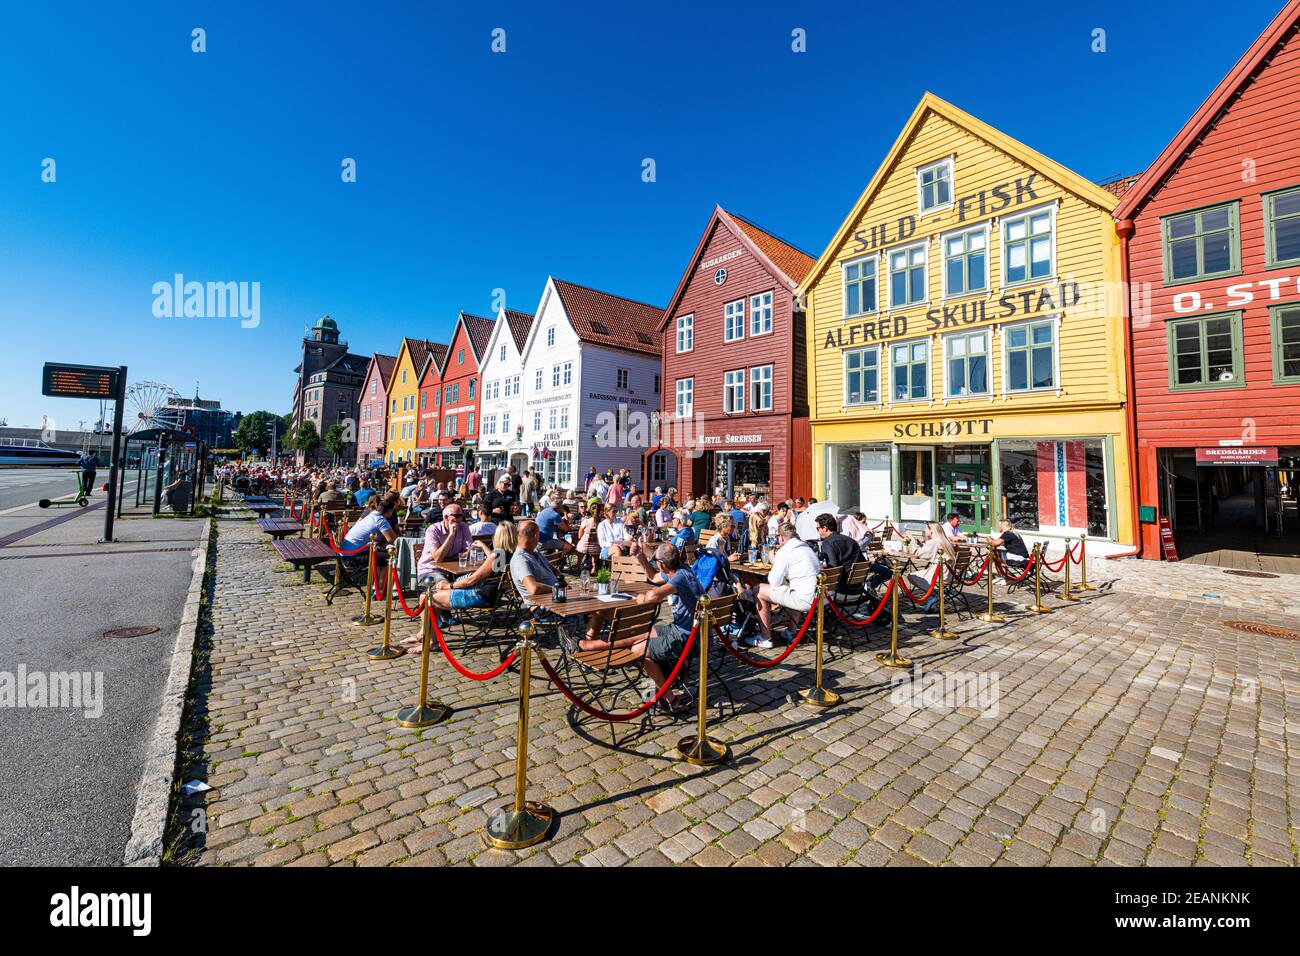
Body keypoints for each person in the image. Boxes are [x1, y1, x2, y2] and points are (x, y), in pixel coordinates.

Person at [422, 521, 516, 615]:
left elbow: (471, 580)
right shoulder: (511, 554)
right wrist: (483, 546)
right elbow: (493, 559)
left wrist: (449, 586)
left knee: (427, 596)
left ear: (498, 537)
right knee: (440, 590)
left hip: (480, 596)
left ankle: (429, 628)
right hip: (494, 596)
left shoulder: (497, 555)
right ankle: (435, 625)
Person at [752, 521, 821, 648]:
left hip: (805, 600)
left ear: (782, 537)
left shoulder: (785, 551)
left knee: (759, 589)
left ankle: (765, 638)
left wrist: (774, 562)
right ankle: (790, 631)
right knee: (794, 587)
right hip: (820, 598)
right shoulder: (806, 547)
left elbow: (774, 582)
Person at [907, 522, 957, 612]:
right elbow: (930, 551)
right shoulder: (945, 540)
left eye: (926, 528)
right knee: (917, 575)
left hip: (938, 575)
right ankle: (933, 595)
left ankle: (933, 594)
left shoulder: (934, 542)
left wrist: (913, 541)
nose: (925, 530)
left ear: (932, 531)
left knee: (911, 576)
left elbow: (919, 554)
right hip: (949, 574)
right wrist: (923, 544)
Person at [416, 503, 473, 579]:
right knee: (446, 586)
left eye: (461, 515)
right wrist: (451, 535)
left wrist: (449, 559)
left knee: (474, 581)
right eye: (456, 516)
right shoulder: (433, 530)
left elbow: (469, 551)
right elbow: (438, 558)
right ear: (446, 517)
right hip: (431, 569)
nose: (460, 518)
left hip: (455, 569)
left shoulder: (463, 527)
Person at [510, 519, 559, 605]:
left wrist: (562, 581)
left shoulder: (534, 552)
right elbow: (534, 588)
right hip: (542, 607)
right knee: (586, 616)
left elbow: (554, 570)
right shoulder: (520, 560)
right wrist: (558, 588)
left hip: (555, 600)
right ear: (536, 536)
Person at [815, 513, 859, 582]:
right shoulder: (851, 540)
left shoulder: (827, 543)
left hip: (841, 585)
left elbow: (833, 568)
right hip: (857, 583)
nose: (817, 531)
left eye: (818, 528)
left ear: (825, 528)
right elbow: (862, 561)